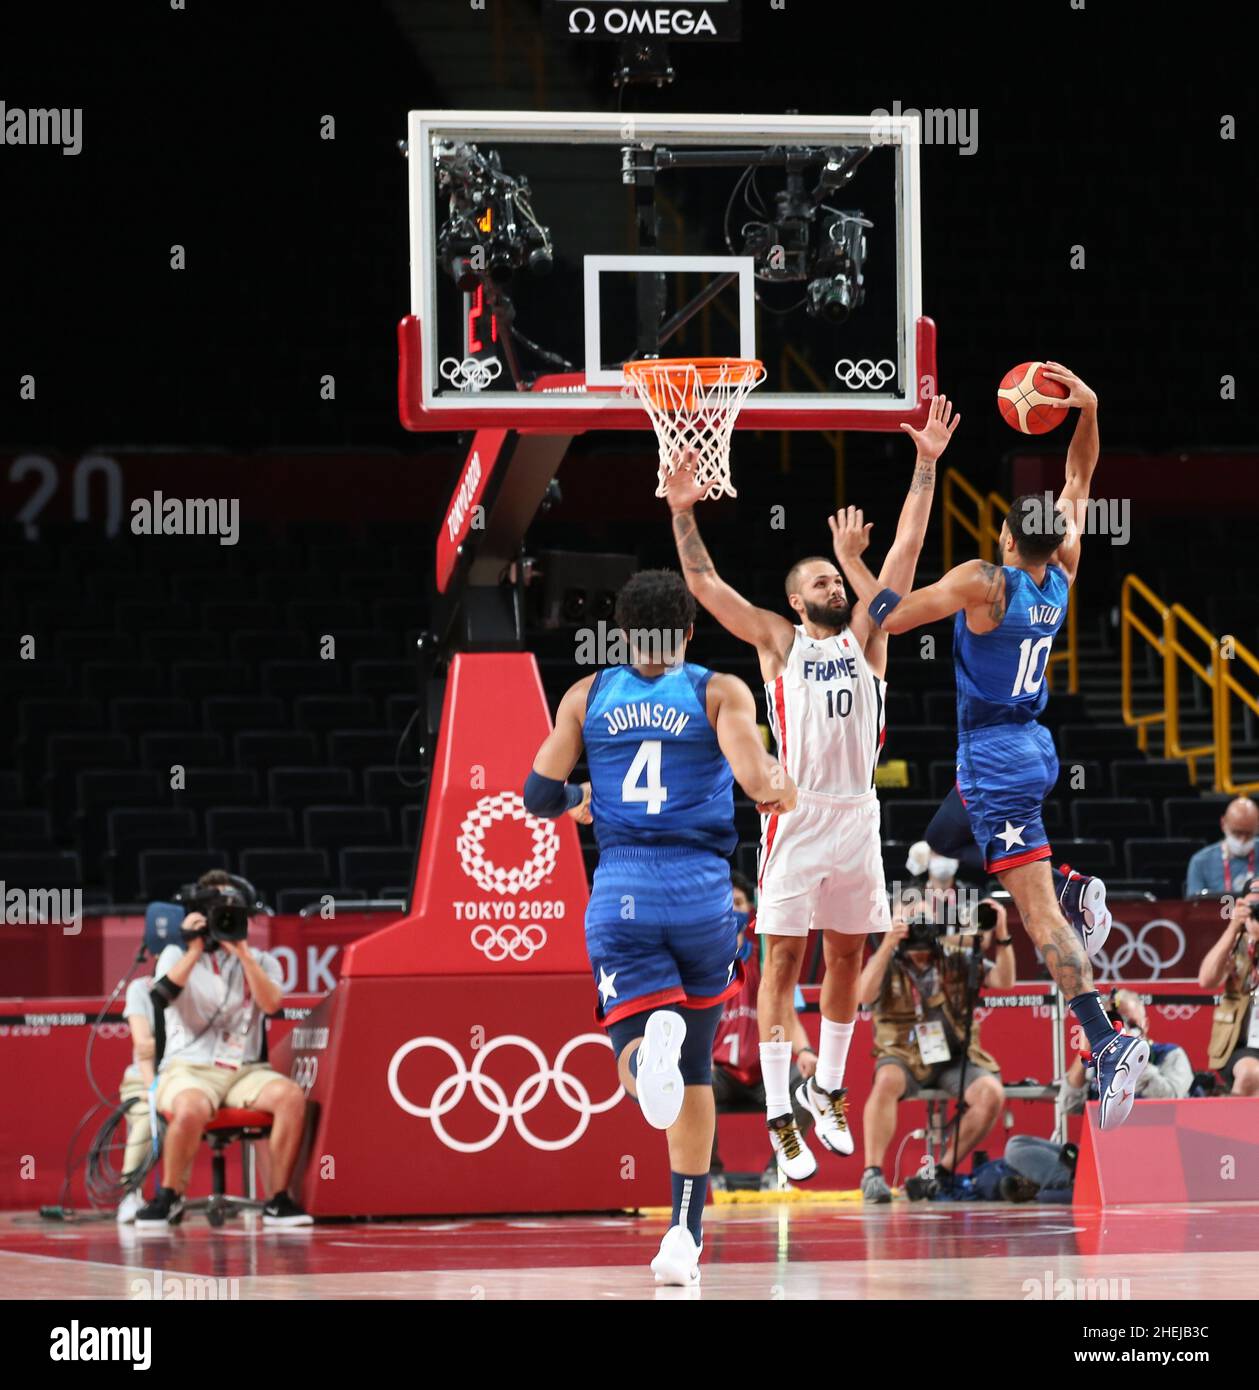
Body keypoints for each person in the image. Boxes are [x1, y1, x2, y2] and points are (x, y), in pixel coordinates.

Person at [832, 363, 1150, 1131]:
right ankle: (1069, 882)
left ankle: (1105, 1040)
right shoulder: (1060, 573)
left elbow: (889, 614)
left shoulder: (985, 581)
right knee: (937, 848)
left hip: (995, 754)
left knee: (1042, 926)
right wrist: (1090, 408)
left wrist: (850, 559)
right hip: (1032, 745)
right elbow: (1079, 476)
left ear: (1006, 537)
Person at [664, 395, 959, 1182]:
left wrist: (925, 463)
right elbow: (703, 585)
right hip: (794, 816)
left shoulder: (871, 635)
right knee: (780, 965)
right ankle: (776, 1114)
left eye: (837, 575)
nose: (836, 582)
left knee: (843, 958)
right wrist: (682, 509)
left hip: (857, 815)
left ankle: (825, 1089)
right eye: (823, 577)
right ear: (797, 599)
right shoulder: (777, 640)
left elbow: (901, 550)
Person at [523, 570, 796, 1286]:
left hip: (622, 889)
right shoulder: (716, 691)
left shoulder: (586, 695)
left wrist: (582, 795)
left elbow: (535, 796)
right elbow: (752, 774)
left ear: (619, 635)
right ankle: (683, 1235)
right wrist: (778, 786)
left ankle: (647, 1061)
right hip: (704, 894)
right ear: (688, 633)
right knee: (697, 1070)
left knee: (636, 1051)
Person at [136, 870, 313, 1230]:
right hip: (188, 1069)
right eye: (216, 910)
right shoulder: (174, 954)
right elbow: (161, 997)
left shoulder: (262, 961)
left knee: (291, 1096)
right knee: (190, 1108)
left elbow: (273, 1004)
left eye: (232, 912)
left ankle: (278, 1200)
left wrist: (244, 954)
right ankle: (170, 1197)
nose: (224, 918)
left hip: (244, 1070)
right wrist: (194, 947)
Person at [858, 894, 1014, 1202]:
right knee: (887, 1079)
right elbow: (863, 994)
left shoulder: (954, 954)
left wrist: (1003, 936)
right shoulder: (886, 959)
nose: (917, 928)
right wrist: (889, 943)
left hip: (955, 1054)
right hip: (902, 1052)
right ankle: (872, 1173)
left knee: (991, 1094)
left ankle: (937, 1173)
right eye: (908, 920)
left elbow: (1004, 981)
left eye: (923, 920)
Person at [710, 872, 816, 1191]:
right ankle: (708, 1173)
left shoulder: (768, 962)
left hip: (765, 1073)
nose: (732, 911)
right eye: (725, 905)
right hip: (719, 1072)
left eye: (739, 903)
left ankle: (779, 1171)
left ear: (750, 911)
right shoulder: (700, 963)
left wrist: (806, 1051)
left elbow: (787, 1013)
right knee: (693, 1084)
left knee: (809, 1085)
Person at [1058, 989, 1194, 1117]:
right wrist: (1085, 1052)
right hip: (1107, 1138)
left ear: (1145, 1024)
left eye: (1131, 1023)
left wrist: (1132, 1058)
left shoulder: (1170, 1054)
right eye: (1116, 1024)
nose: (1122, 1030)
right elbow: (1069, 1105)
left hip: (1157, 1135)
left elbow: (1171, 1099)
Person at [1199, 877, 1259, 1096]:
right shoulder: (1236, 943)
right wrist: (1233, 927)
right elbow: (1207, 980)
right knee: (1251, 1073)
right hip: (1241, 1045)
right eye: (1253, 906)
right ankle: (1237, 1129)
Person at [1185, 796, 1259, 897]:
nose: (1243, 840)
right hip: (1217, 913)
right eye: (1237, 833)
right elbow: (1195, 908)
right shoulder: (1200, 861)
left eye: (1249, 834)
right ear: (1223, 824)